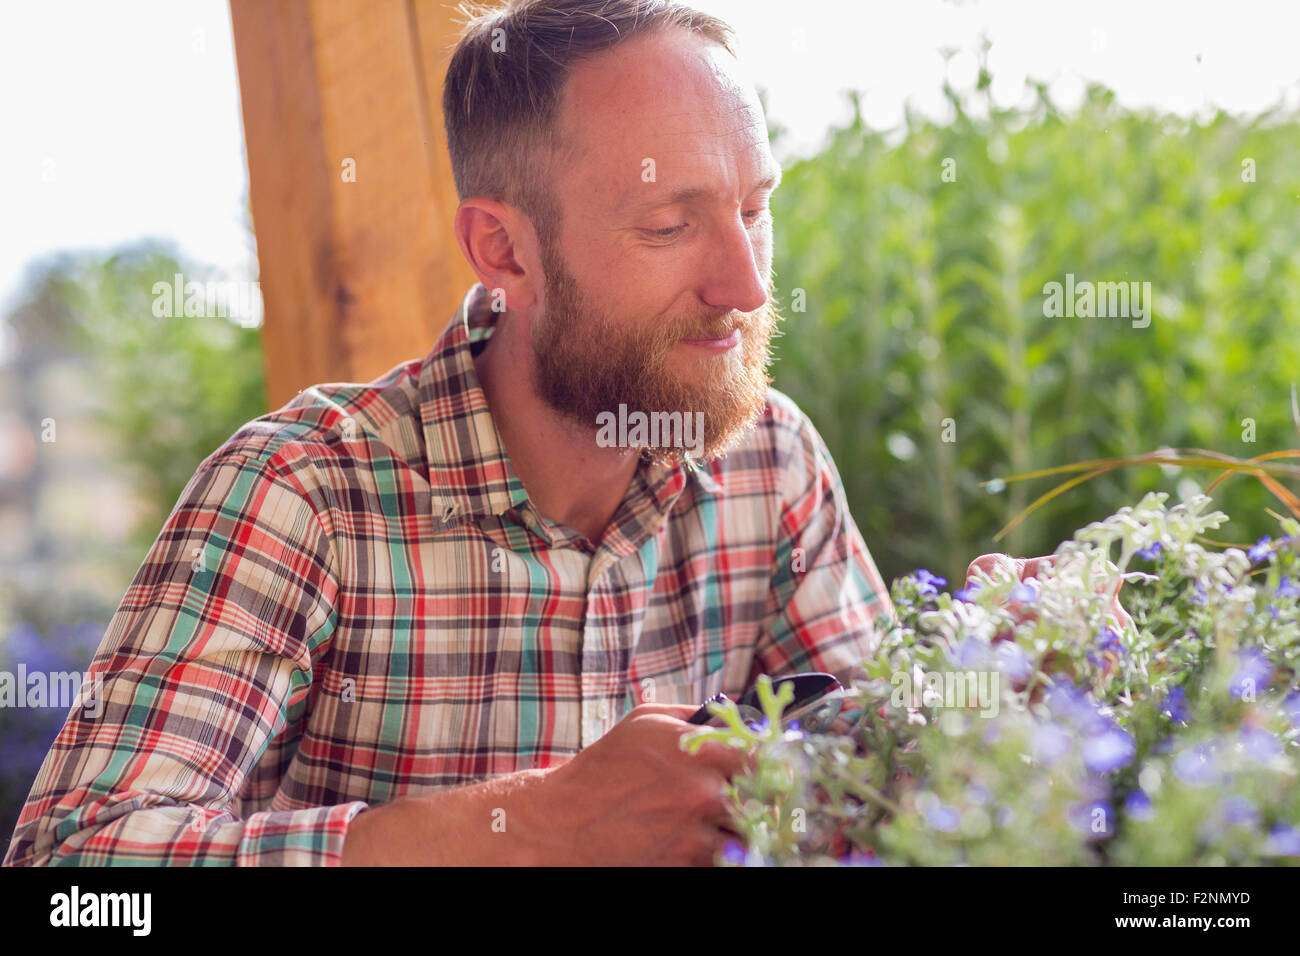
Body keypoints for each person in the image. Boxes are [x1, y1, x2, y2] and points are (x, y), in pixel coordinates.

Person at [3, 0, 1123, 867]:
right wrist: (529, 827)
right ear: (504, 251)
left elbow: (869, 791)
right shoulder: (305, 493)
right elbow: (76, 870)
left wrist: (984, 681)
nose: (742, 282)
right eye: (669, 222)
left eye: (753, 208)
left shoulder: (766, 459)